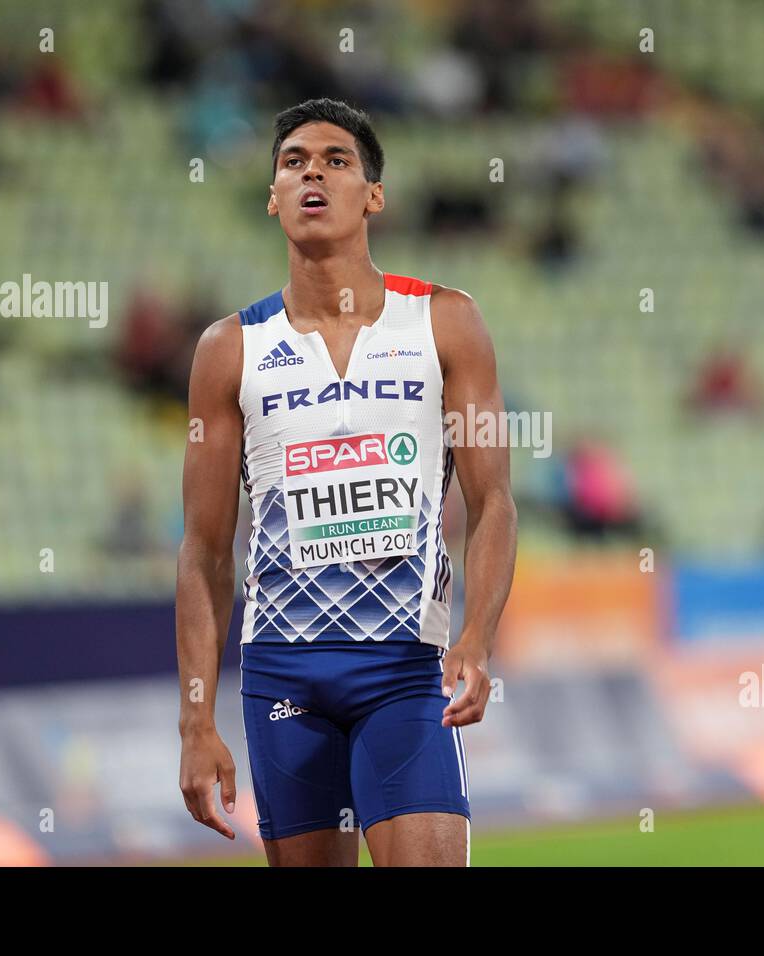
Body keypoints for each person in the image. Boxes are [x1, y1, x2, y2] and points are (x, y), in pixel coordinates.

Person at [175, 98, 517, 867]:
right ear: (272, 197)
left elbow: (494, 501)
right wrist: (196, 722)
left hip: (405, 669)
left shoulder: (444, 321)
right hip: (282, 676)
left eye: (336, 161)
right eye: (293, 162)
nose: (312, 174)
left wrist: (477, 639)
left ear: (374, 195)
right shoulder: (229, 349)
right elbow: (202, 551)